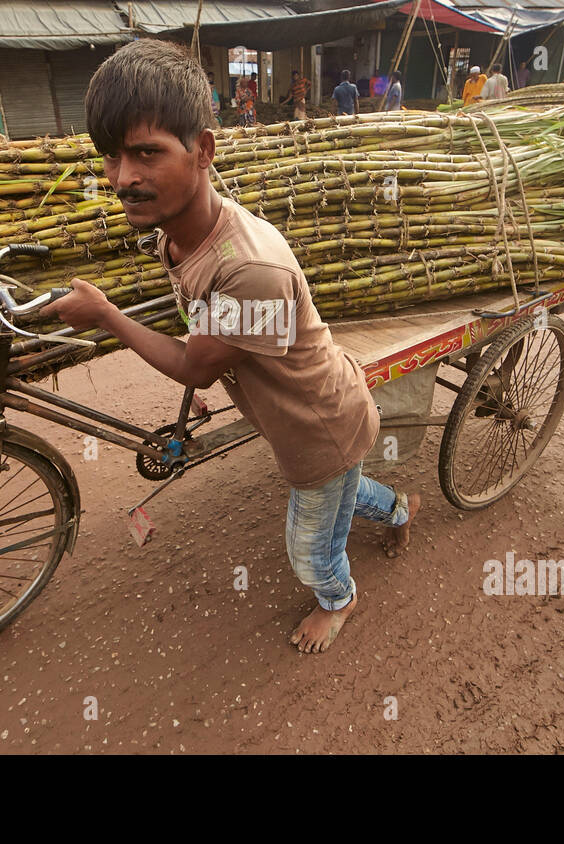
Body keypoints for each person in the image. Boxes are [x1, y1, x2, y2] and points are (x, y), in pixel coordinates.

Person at [49, 40, 421, 654]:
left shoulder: (250, 269)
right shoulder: (180, 235)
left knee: (309, 546)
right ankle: (402, 509)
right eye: (111, 157)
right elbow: (206, 336)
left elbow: (196, 354)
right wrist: (204, 378)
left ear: (203, 150)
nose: (123, 178)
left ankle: (340, 597)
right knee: (348, 495)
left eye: (147, 153)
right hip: (312, 407)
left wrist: (106, 315)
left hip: (317, 426)